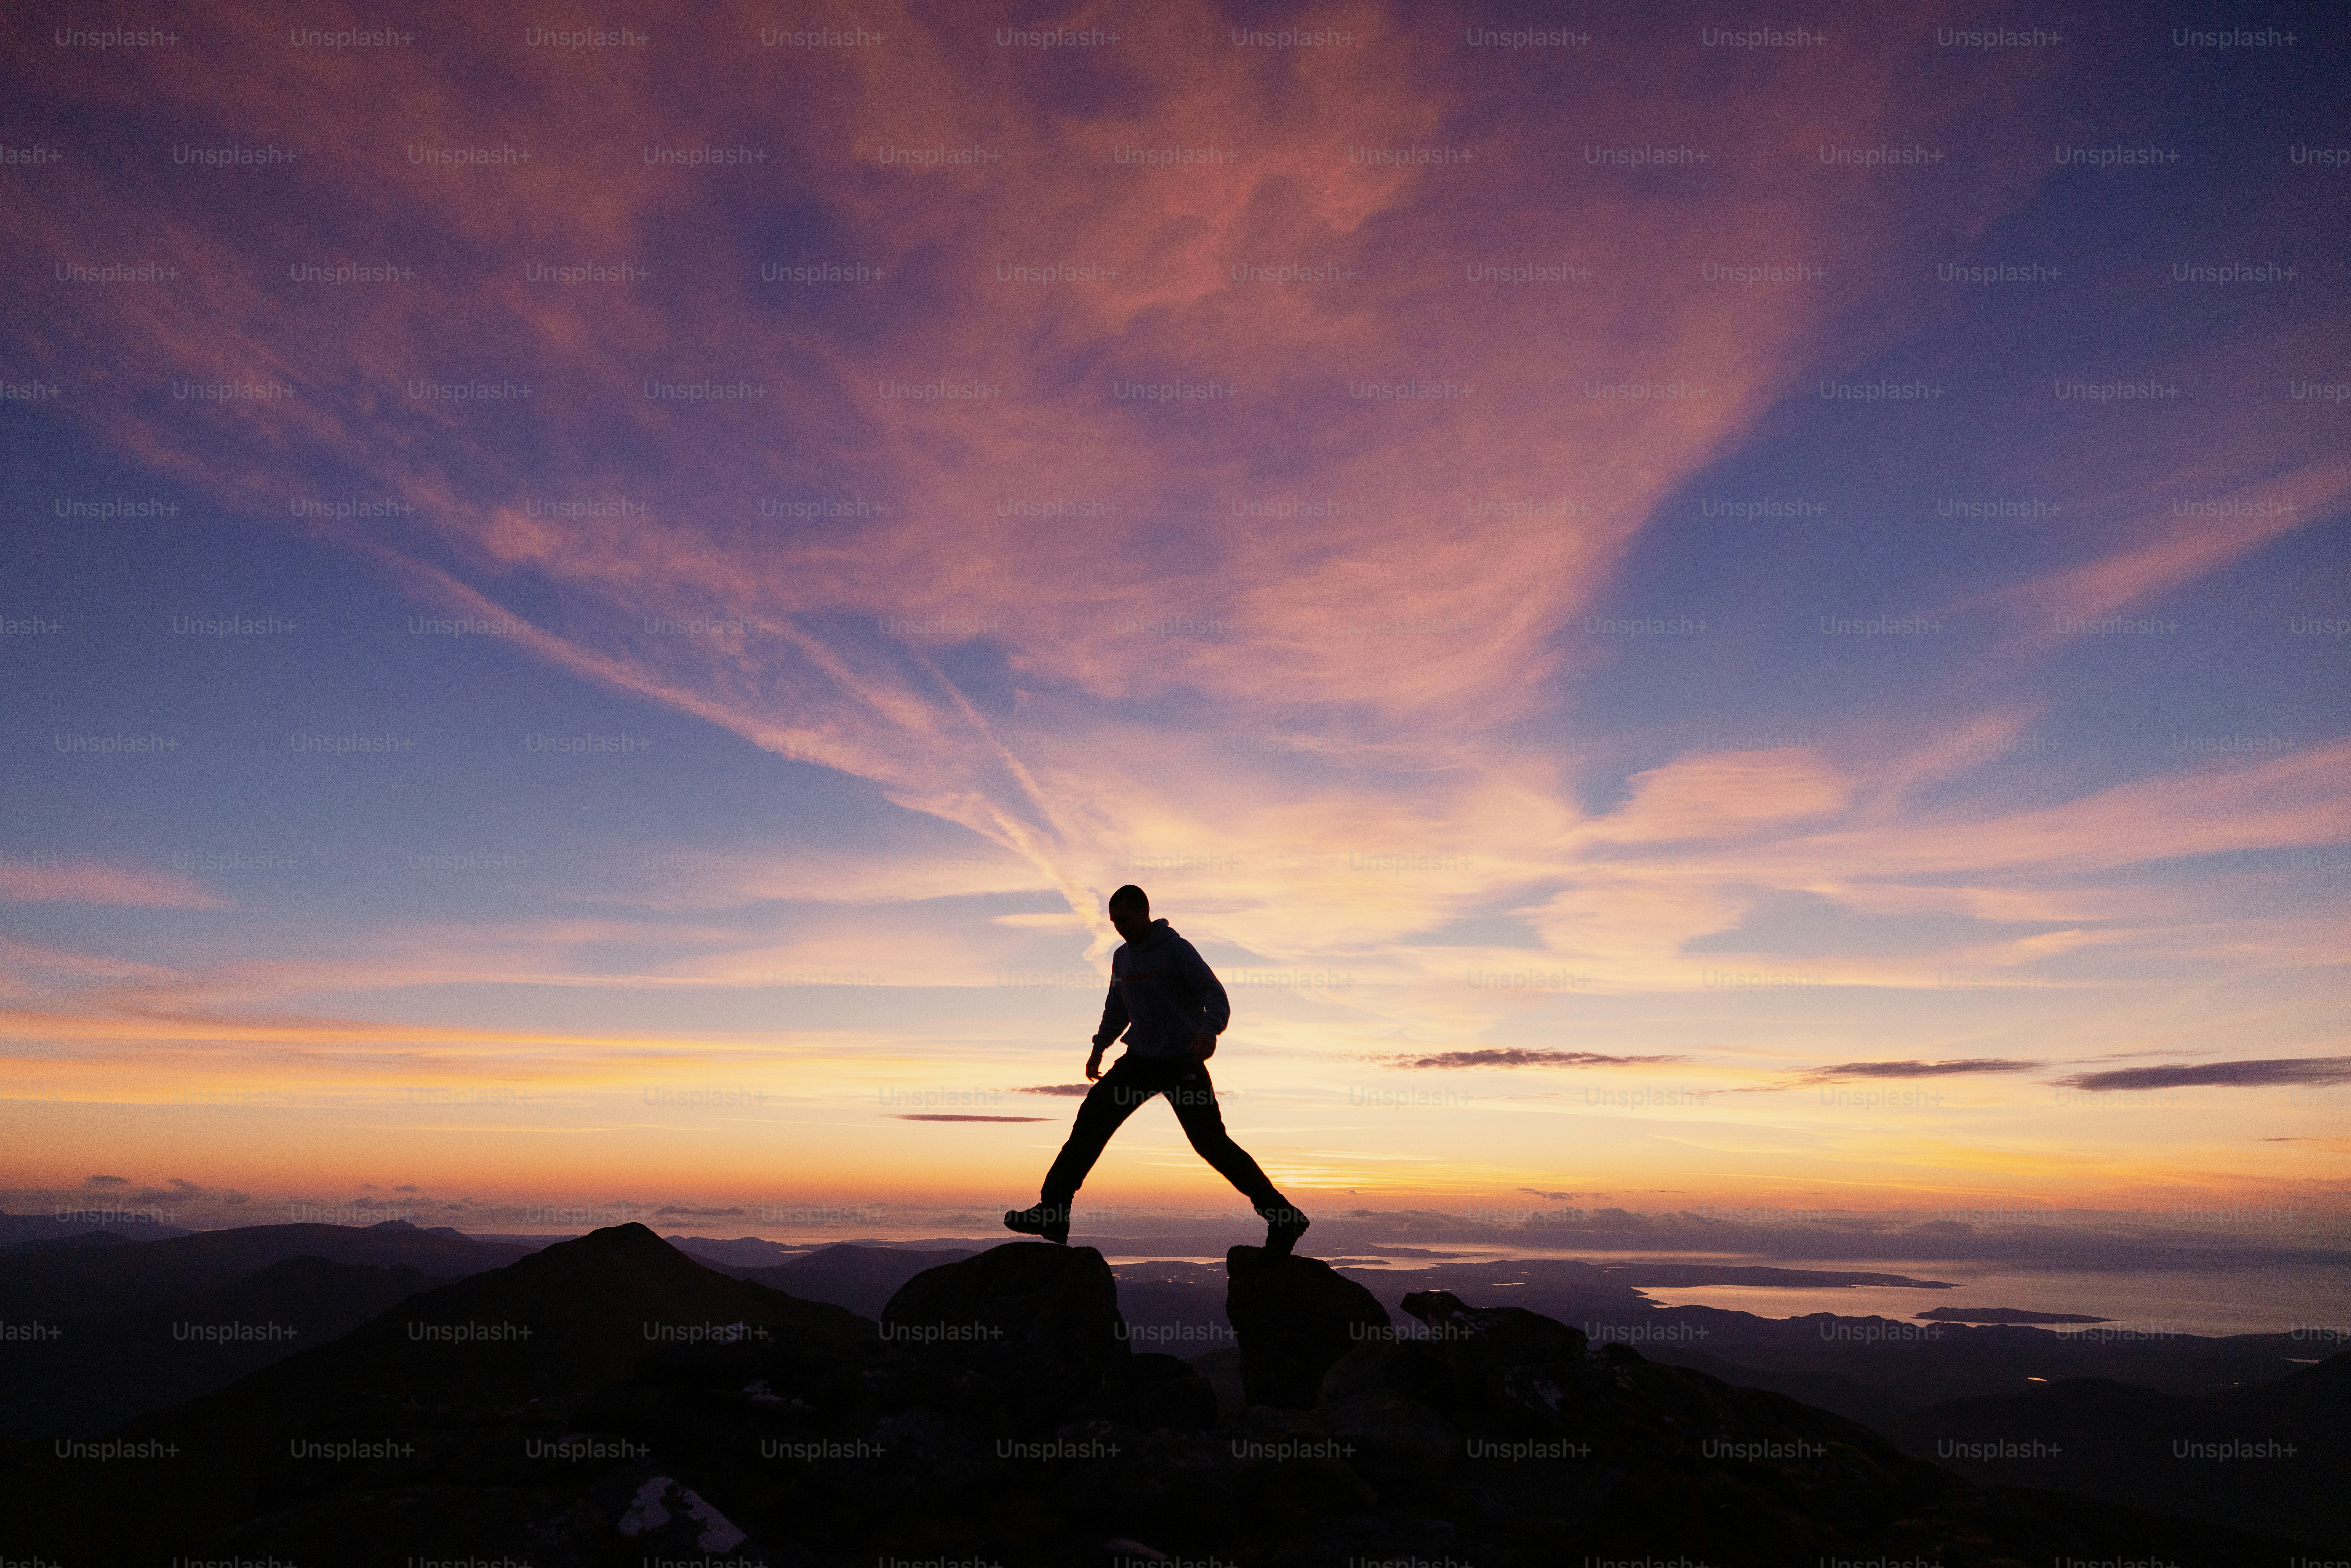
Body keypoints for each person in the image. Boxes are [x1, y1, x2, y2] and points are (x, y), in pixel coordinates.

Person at [1006, 884, 1311, 1256]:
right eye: (1114, 922)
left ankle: (1283, 1217)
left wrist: (1208, 1031)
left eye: (1125, 919)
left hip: (1183, 1062)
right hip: (1140, 1062)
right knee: (1091, 1121)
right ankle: (1052, 1213)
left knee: (1212, 1145)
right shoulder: (1122, 958)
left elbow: (1214, 994)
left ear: (1144, 912)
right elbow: (1117, 1006)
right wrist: (1100, 1046)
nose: (1120, 927)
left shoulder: (1176, 949)